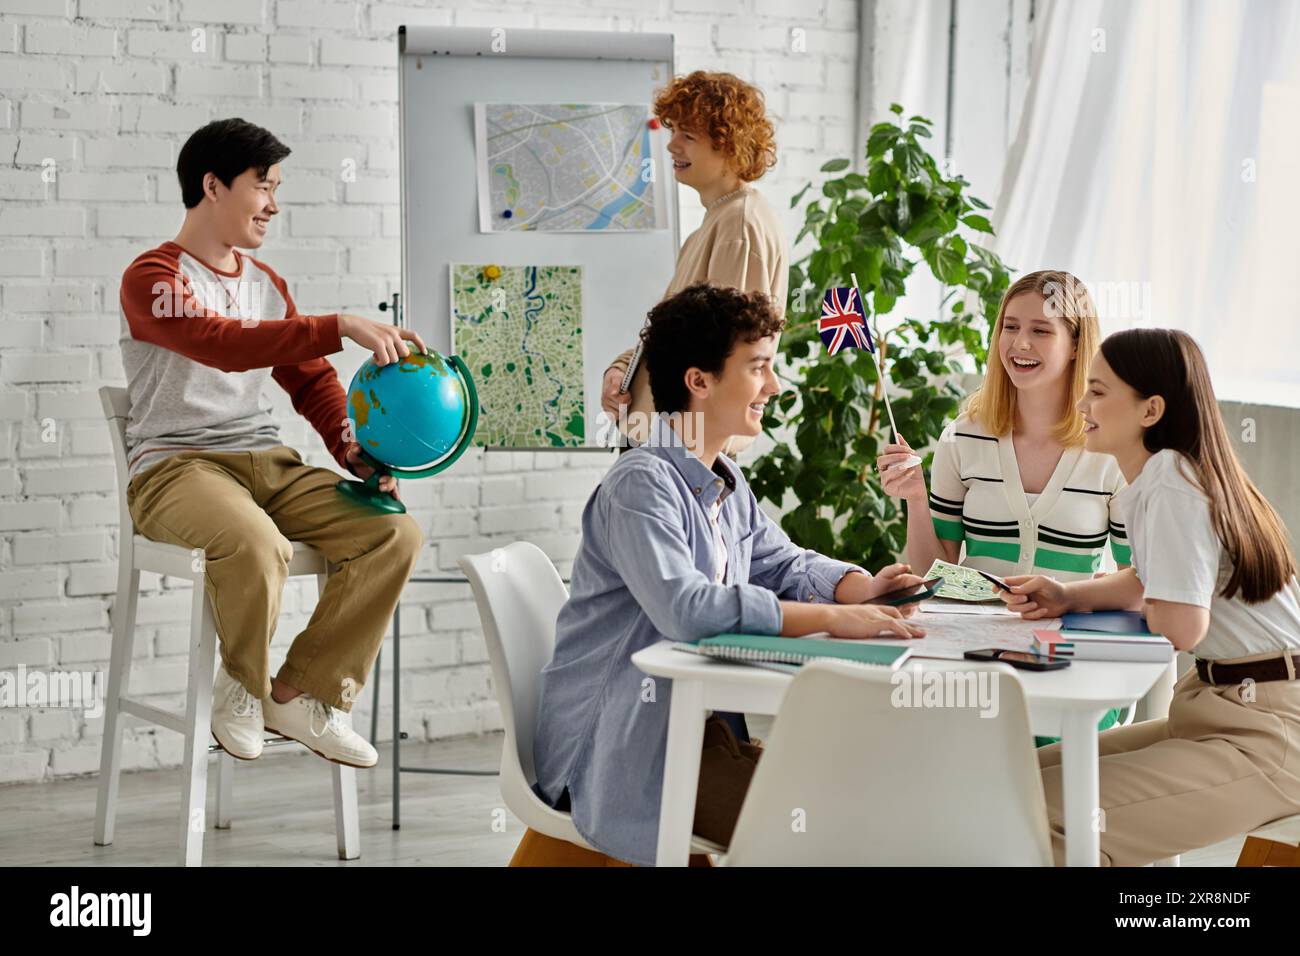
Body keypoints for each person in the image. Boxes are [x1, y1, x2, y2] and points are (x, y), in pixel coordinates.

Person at [513, 284, 926, 866]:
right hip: (628, 747)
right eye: (758, 368)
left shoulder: (722, 478)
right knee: (834, 837)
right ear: (698, 381)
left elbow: (781, 562)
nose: (775, 386)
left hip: (695, 731)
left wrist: (862, 587)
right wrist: (835, 618)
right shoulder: (641, 484)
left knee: (861, 806)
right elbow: (687, 608)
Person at [119, 118, 427, 768]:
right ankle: (243, 685)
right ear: (213, 185)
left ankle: (302, 695)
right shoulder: (152, 278)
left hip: (266, 463)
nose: (274, 204)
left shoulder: (265, 281)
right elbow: (221, 345)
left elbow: (309, 378)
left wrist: (352, 448)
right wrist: (338, 324)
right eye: (263, 186)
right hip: (175, 471)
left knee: (392, 532)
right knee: (257, 545)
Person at [1002, 328, 1300, 865]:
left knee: (1028, 814)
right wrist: (1068, 596)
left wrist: (1144, 599)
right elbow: (1150, 580)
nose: (1082, 403)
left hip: (1269, 733)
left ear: (1150, 410)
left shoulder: (1171, 482)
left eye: (1098, 391)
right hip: (1220, 709)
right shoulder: (1166, 474)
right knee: (1007, 782)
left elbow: (1182, 623)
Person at [877, 270, 1129, 740]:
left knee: (1038, 757)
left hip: (1067, 658)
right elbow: (937, 570)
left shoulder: (1109, 447)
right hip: (972, 649)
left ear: (1076, 344)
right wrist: (915, 498)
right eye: (1010, 327)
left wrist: (1084, 593)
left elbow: (1141, 579)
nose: (1020, 344)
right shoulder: (964, 436)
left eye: (1040, 330)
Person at [601, 71, 785, 457]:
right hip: (666, 440)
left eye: (688, 135)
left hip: (682, 449)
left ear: (728, 146)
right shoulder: (717, 222)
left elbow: (726, 355)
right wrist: (622, 370)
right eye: (673, 132)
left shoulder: (739, 225)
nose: (671, 146)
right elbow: (675, 336)